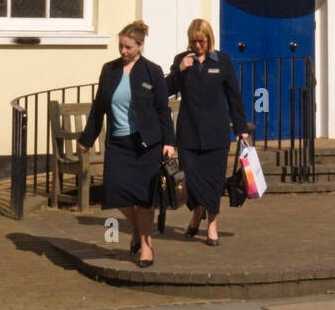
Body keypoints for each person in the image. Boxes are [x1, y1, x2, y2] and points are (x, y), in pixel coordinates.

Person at [78, 19, 175, 268]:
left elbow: (163, 111)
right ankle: (137, 229)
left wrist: (169, 143)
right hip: (119, 144)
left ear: (140, 46)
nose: (123, 51)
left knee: (143, 198)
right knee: (116, 193)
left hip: (146, 145)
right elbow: (99, 107)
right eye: (120, 46)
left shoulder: (152, 71)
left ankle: (146, 245)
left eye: (128, 47)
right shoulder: (109, 70)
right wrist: (87, 139)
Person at [166, 19, 250, 246]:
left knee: (213, 181)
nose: (197, 45)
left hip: (216, 133)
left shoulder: (222, 61)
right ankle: (196, 212)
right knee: (190, 181)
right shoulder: (181, 60)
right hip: (189, 132)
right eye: (193, 41)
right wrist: (180, 70)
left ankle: (211, 223)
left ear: (209, 39)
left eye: (201, 41)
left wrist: (241, 129)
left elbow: (234, 96)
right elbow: (167, 89)